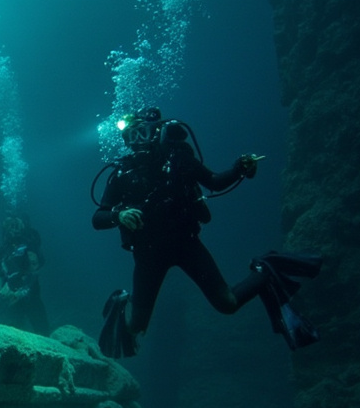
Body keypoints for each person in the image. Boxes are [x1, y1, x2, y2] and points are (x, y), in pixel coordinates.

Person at [91, 106, 320, 357]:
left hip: (186, 244)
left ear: (157, 132)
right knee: (135, 326)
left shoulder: (179, 160)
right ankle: (122, 300)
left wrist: (239, 168)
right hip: (148, 254)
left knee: (228, 304)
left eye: (143, 133)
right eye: (131, 136)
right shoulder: (121, 174)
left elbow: (214, 181)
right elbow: (98, 217)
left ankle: (265, 270)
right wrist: (119, 215)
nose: (137, 141)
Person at [0, 214, 50, 335]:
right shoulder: (2, 252)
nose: (12, 229)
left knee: (42, 330)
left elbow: (34, 271)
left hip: (31, 298)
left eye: (15, 225)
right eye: (9, 225)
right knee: (14, 330)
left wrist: (20, 291)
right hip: (12, 301)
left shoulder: (30, 247)